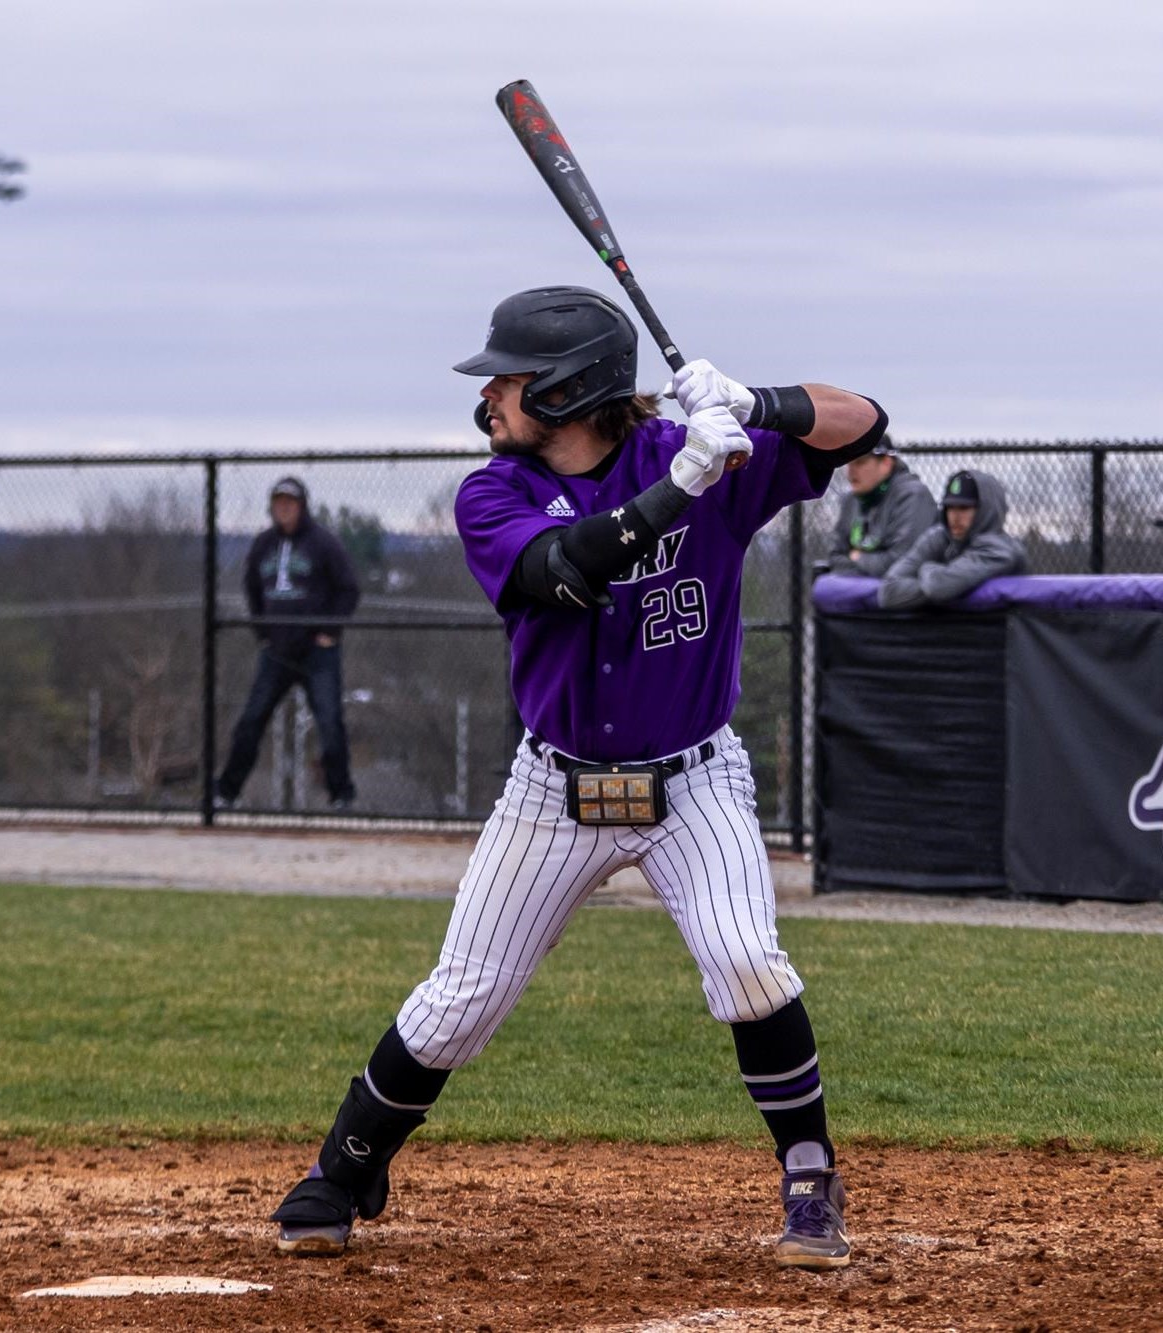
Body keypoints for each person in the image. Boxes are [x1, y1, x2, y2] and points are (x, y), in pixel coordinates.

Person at [267, 285, 887, 1270]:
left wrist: (756, 403)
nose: (490, 400)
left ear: (569, 391)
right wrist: (679, 486)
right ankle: (344, 1169)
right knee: (460, 996)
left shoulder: (700, 453)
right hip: (551, 787)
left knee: (744, 960)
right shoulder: (492, 494)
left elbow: (864, 424)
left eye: (510, 381)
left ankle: (809, 1173)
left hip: (692, 779)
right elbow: (561, 571)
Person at [215, 477, 360, 810]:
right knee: (251, 721)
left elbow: (349, 589)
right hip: (276, 652)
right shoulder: (264, 544)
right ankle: (226, 792)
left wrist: (331, 631)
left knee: (330, 722)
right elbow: (251, 588)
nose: (284, 508)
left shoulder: (323, 543)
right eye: (278, 502)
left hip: (317, 652)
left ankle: (342, 795)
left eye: (290, 503)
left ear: (302, 506)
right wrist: (262, 634)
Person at [876, 469, 1026, 610]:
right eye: (950, 507)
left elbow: (939, 587)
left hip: (998, 632)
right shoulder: (939, 537)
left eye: (964, 508)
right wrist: (940, 583)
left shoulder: (1000, 550)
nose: (954, 516)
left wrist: (926, 568)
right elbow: (888, 592)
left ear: (985, 510)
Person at [825, 434, 937, 577]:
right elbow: (834, 558)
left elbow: (904, 563)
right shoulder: (851, 500)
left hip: (903, 594)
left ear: (886, 464)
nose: (851, 472)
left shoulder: (913, 496)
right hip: (857, 589)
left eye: (860, 462)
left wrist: (857, 557)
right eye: (849, 463)